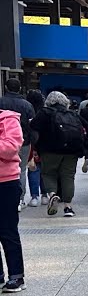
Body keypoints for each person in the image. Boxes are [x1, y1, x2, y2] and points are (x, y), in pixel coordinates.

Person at [31, 91, 84, 218]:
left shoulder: (44, 113)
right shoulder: (72, 114)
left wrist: (35, 148)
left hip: (49, 150)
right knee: (68, 176)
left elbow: (33, 129)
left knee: (48, 173)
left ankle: (53, 194)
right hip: (71, 151)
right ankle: (68, 207)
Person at [0, 78, 34, 212]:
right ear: (19, 88)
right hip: (23, 141)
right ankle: (20, 198)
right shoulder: (26, 104)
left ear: (6, 88)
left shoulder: (1, 102)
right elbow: (32, 124)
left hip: (3, 142)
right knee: (22, 169)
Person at [0, 104, 25, 291]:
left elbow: (11, 148)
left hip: (6, 182)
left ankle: (16, 276)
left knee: (7, 230)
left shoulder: (8, 119)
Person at [24, 90, 43, 207]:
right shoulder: (44, 112)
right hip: (44, 144)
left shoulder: (28, 111)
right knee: (45, 170)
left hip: (31, 143)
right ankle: (45, 194)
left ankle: (34, 196)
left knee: (33, 169)